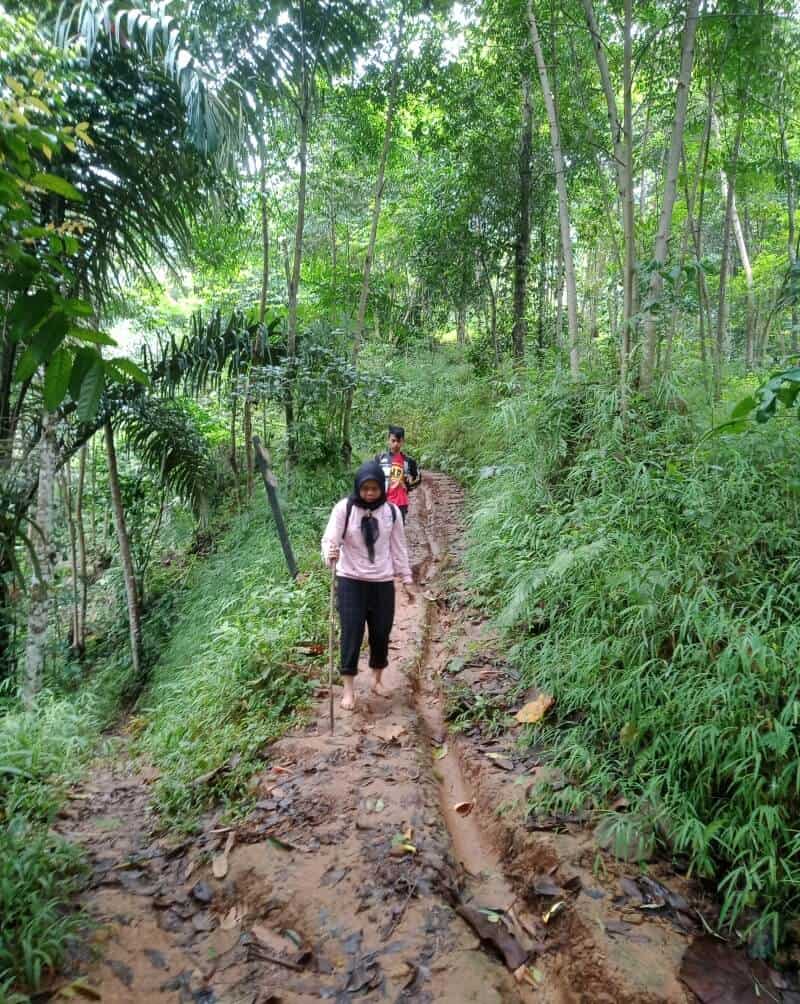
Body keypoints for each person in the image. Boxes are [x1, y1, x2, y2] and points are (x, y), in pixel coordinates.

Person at [322, 460, 413, 710]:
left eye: (374, 488)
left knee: (381, 632)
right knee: (351, 633)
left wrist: (406, 577)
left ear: (382, 488)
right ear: (358, 487)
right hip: (351, 580)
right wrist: (329, 552)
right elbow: (330, 538)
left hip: (382, 582)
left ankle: (377, 680)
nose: (370, 493)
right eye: (365, 488)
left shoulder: (391, 512)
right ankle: (349, 690)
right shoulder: (345, 508)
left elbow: (398, 547)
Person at [375, 425, 421, 523]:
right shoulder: (380, 459)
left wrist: (408, 484)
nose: (396, 444)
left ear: (403, 441)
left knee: (397, 533)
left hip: (401, 503)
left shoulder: (408, 461)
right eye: (393, 441)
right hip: (383, 502)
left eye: (398, 441)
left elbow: (418, 478)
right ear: (388, 440)